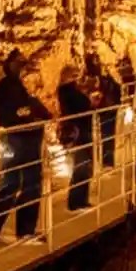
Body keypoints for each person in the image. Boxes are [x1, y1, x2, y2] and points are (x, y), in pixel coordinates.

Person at [0, 49, 50, 243]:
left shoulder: (15, 86)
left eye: (22, 64)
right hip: (19, 139)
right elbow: (9, 113)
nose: (21, 68)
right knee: (16, 182)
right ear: (10, 65)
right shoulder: (6, 86)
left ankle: (18, 229)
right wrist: (26, 112)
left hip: (26, 138)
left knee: (25, 183)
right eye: (18, 63)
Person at [57, 64, 94, 212]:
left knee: (83, 166)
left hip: (81, 130)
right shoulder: (68, 91)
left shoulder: (68, 91)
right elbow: (82, 104)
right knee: (82, 167)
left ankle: (80, 200)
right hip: (79, 131)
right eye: (75, 75)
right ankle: (76, 202)